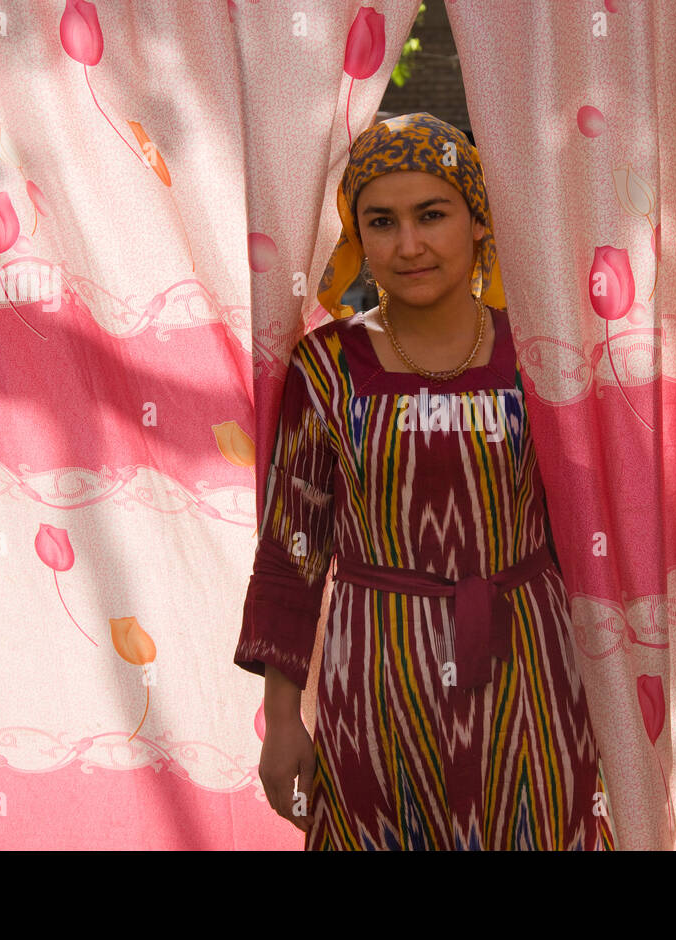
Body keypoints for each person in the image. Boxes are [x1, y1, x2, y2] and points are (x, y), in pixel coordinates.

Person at [235, 112, 612, 850]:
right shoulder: (327, 366)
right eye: (382, 222)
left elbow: (594, 540)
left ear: (478, 223)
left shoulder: (538, 355)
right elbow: (295, 550)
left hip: (530, 681)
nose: (408, 244)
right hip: (375, 690)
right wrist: (284, 724)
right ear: (359, 239)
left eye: (432, 215)